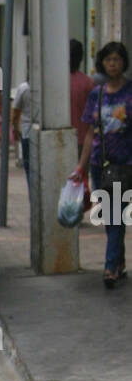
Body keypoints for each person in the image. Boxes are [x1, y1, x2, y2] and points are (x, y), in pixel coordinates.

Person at [75, 40, 132, 288]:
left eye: (117, 59)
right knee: (110, 217)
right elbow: (90, 133)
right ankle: (118, 262)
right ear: (102, 63)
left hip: (125, 164)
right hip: (100, 162)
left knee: (115, 214)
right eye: (108, 59)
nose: (113, 64)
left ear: (124, 63)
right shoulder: (96, 95)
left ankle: (110, 267)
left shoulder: (130, 93)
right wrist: (81, 166)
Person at [70, 38, 95, 159]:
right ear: (81, 58)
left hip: (60, 138)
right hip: (83, 138)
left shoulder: (56, 84)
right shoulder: (88, 83)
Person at [11, 76, 31, 188]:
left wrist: (14, 129)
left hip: (26, 132)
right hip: (40, 132)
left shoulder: (23, 88)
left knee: (28, 166)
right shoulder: (45, 87)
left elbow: (16, 111)